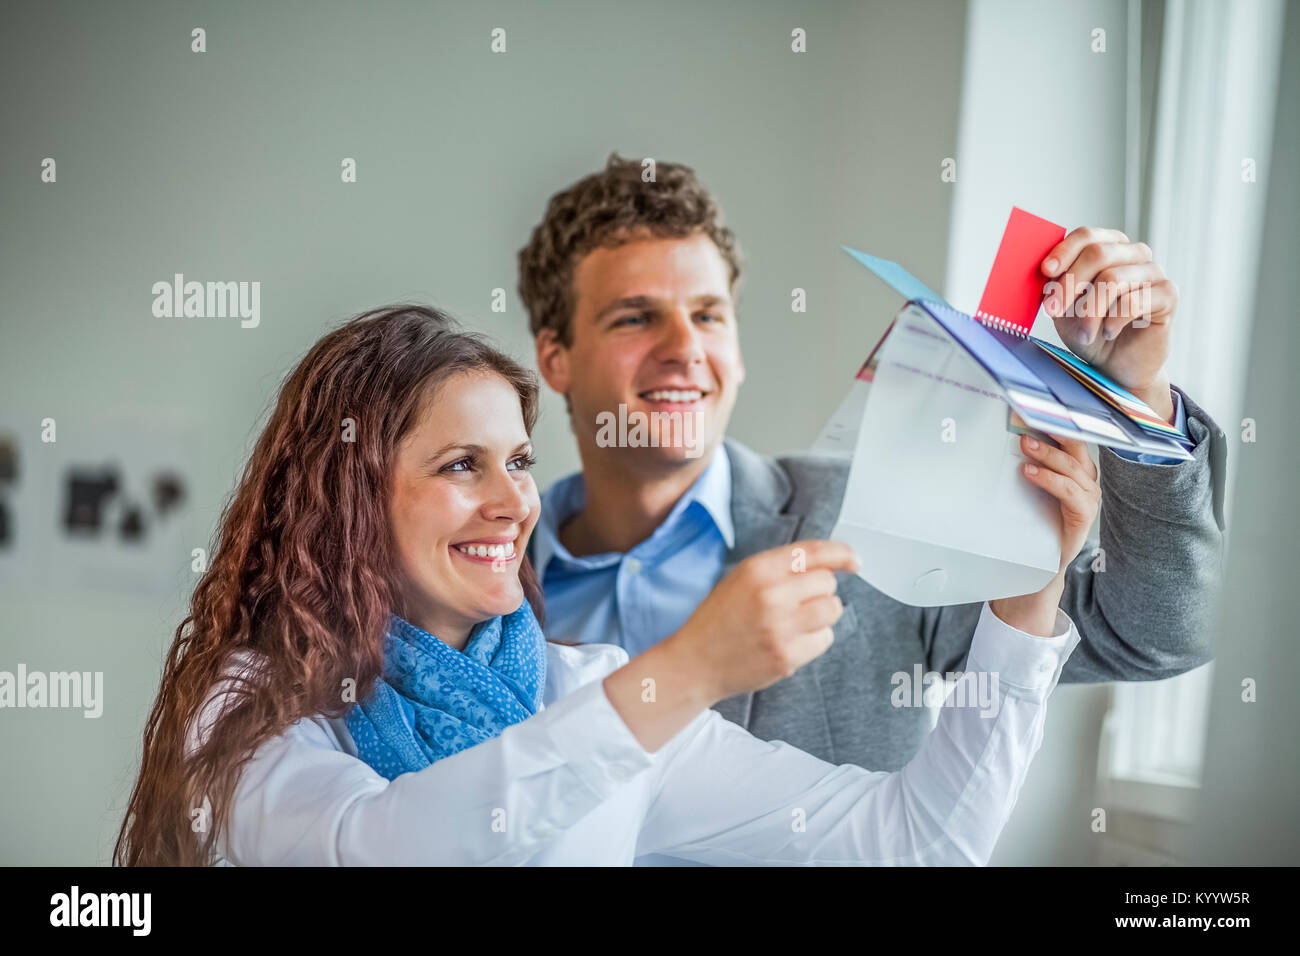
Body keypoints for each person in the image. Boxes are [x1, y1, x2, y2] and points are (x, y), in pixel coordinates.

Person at [114, 305, 1089, 866]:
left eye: (520, 460)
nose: (511, 501)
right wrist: (687, 670)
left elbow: (916, 838)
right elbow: (383, 845)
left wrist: (1023, 586)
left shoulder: (585, 691)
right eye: (461, 464)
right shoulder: (251, 706)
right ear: (351, 495)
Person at [518, 154, 1227, 774]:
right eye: (634, 318)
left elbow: (1157, 637)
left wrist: (1135, 396)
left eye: (707, 316)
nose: (684, 349)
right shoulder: (488, 577)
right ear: (556, 358)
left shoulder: (867, 518)